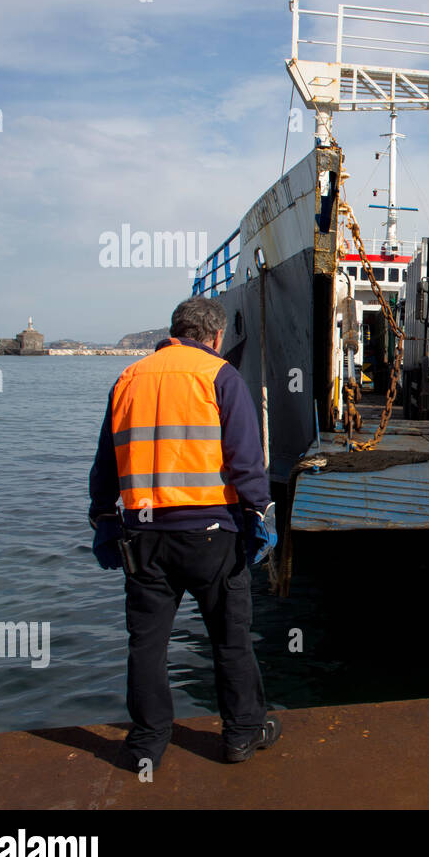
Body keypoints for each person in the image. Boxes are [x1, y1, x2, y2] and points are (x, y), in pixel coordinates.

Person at [88, 296, 281, 769]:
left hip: (143, 537)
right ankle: (241, 734)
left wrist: (102, 517)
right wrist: (260, 514)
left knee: (147, 643)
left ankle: (146, 745)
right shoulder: (220, 377)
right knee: (231, 638)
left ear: (175, 330)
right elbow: (245, 458)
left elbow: (106, 462)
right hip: (213, 533)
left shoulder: (128, 378)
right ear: (215, 337)